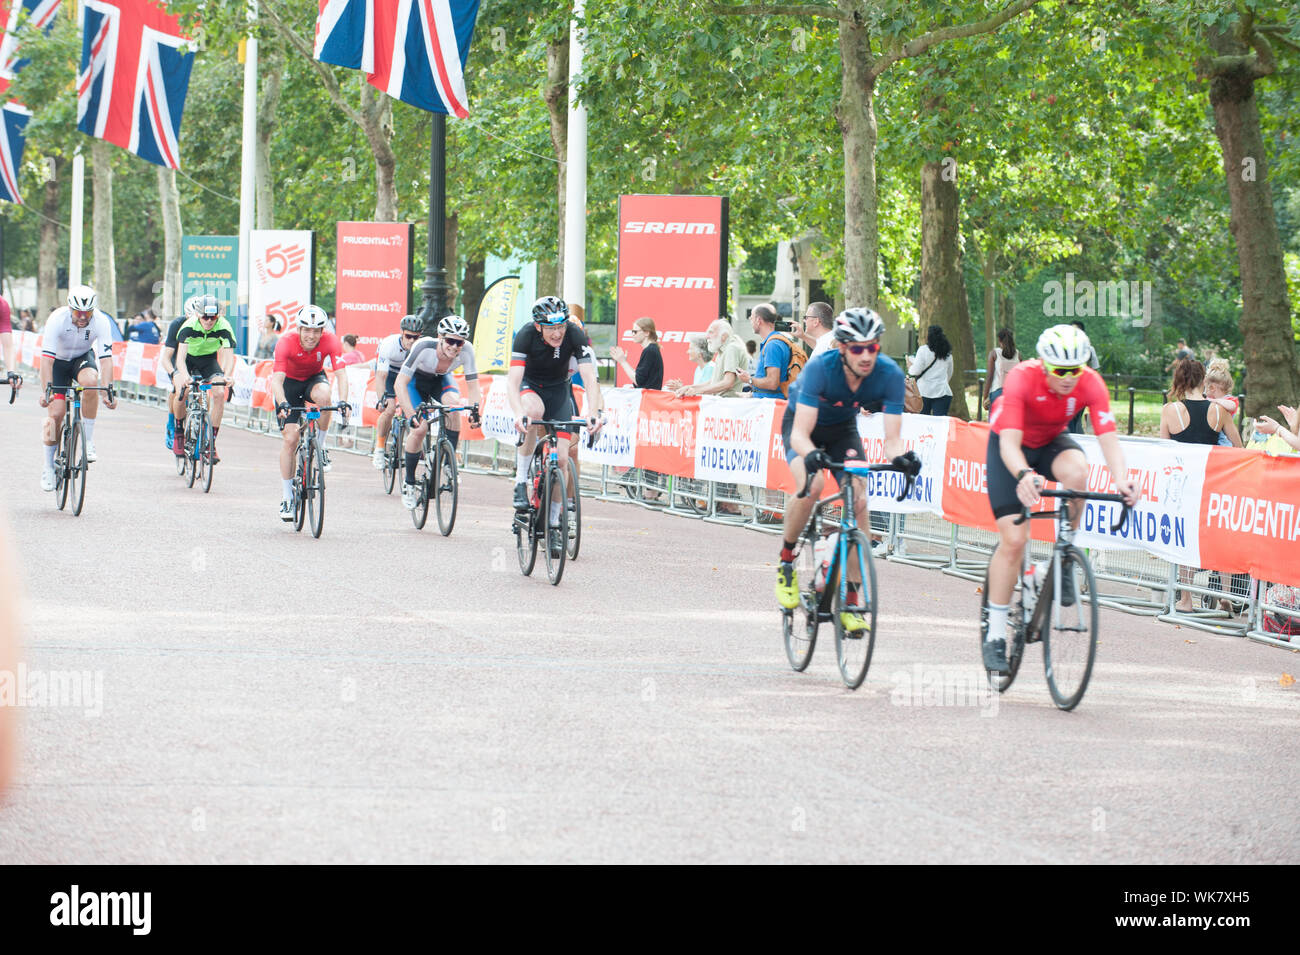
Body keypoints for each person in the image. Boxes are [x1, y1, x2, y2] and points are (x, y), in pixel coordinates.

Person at [981, 324, 1139, 673]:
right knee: (1014, 539)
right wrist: (1023, 475)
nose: (1069, 378)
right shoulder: (1023, 378)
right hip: (1010, 447)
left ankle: (1064, 554)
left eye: (1075, 369)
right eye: (1060, 370)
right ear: (1044, 364)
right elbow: (1009, 444)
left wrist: (1123, 481)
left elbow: (1108, 438)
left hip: (1051, 442)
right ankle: (994, 634)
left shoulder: (1089, 381)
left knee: (1079, 474)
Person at [774, 308, 918, 632]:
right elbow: (799, 434)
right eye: (857, 348)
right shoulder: (820, 370)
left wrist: (902, 458)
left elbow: (892, 441)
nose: (866, 356)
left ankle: (852, 602)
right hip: (803, 428)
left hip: (842, 432)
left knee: (859, 500)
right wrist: (811, 454)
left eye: (873, 346)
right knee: (812, 486)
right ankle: (785, 560)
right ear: (841, 348)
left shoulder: (889, 375)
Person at [506, 296, 604, 556]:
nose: (558, 333)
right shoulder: (526, 335)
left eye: (560, 326)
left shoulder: (573, 333)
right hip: (531, 386)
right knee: (532, 413)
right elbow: (513, 381)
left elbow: (590, 379)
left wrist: (593, 413)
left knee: (562, 458)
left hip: (559, 391)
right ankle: (520, 481)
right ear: (539, 327)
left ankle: (554, 524)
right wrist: (518, 412)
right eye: (551, 328)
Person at [1159, 359, 1242, 612]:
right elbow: (1239, 448)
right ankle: (1226, 595)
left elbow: (1164, 451)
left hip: (1184, 486)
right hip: (1213, 482)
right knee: (1218, 538)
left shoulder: (1171, 410)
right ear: (1202, 380)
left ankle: (1186, 598)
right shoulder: (1219, 411)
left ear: (1180, 381)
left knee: (1184, 540)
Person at [394, 315, 484, 510]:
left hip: (441, 380)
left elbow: (474, 387)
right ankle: (409, 482)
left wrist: (476, 411)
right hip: (415, 384)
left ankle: (447, 464)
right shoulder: (423, 346)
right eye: (450, 340)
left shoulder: (467, 350)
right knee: (420, 429)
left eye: (459, 342)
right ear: (440, 337)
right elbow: (400, 383)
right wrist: (410, 416)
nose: (454, 346)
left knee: (454, 405)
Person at [270, 305, 350, 521]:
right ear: (299, 328)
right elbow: (276, 380)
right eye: (306, 330)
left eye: (317, 331)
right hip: (289, 385)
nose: (311, 336)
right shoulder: (285, 342)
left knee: (325, 398)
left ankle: (320, 445)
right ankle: (287, 497)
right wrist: (283, 403)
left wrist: (343, 401)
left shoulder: (331, 341)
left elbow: (341, 374)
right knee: (291, 439)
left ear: (323, 331)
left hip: (314, 380)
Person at [37, 285, 118, 490]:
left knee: (91, 383)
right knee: (56, 413)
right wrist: (46, 391)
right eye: (78, 313)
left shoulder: (100, 321)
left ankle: (88, 441)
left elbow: (106, 359)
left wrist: (109, 389)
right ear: (70, 308)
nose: (83, 317)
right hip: (58, 363)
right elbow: (46, 361)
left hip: (81, 359)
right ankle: (47, 466)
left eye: (87, 313)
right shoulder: (57, 319)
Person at [172, 295, 237, 463]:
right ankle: (179, 430)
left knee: (219, 392)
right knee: (182, 389)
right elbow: (180, 359)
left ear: (218, 316)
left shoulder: (224, 327)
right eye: (205, 317)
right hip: (187, 359)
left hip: (208, 360)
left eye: (213, 317)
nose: (209, 321)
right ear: (198, 315)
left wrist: (227, 376)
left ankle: (211, 443)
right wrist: (186, 377)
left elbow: (229, 357)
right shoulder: (188, 326)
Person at [370, 314, 424, 470]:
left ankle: (414, 445)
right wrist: (382, 399)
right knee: (390, 408)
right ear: (402, 333)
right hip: (389, 374)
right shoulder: (389, 345)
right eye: (408, 336)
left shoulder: (421, 347)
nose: (412, 341)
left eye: (416, 337)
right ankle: (379, 449)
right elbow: (381, 376)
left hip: (407, 375)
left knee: (416, 408)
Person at [158, 296, 201, 455]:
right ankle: (174, 425)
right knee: (179, 390)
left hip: (198, 361)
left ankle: (203, 428)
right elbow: (166, 357)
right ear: (186, 315)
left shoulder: (209, 324)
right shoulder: (177, 324)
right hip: (179, 360)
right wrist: (173, 373)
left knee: (205, 394)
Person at [737, 303, 789, 398]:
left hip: (770, 407)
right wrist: (752, 394)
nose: (750, 320)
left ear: (758, 320)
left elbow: (772, 383)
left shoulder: (772, 345)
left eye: (751, 317)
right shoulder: (774, 342)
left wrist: (749, 379)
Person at [908, 324, 954, 416]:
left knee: (922, 423)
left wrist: (910, 367)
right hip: (943, 392)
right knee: (940, 424)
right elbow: (949, 373)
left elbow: (915, 371)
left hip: (923, 391)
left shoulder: (923, 350)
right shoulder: (947, 354)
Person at [609, 317, 663, 390]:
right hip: (650, 397)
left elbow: (638, 380)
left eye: (635, 331)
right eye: (632, 331)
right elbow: (640, 377)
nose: (633, 334)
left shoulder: (649, 351)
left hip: (648, 398)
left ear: (647, 332)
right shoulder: (651, 349)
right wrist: (623, 361)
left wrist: (623, 362)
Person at [1066, 320, 1101, 433]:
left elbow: (1095, 371)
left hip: (1082, 390)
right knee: (1071, 420)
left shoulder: (1089, 350)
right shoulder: (1064, 348)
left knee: (1075, 419)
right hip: (1068, 389)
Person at [1203, 359, 1240, 448]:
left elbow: (1232, 406)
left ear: (1212, 388)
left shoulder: (1228, 399)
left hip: (1224, 438)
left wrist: (1215, 401)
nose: (1204, 391)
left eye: (1205, 388)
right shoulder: (1210, 398)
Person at [983, 328, 1020, 411]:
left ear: (999, 340)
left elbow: (990, 377)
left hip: (998, 391)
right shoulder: (1018, 355)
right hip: (1014, 393)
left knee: (995, 422)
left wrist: (985, 397)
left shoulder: (994, 353)